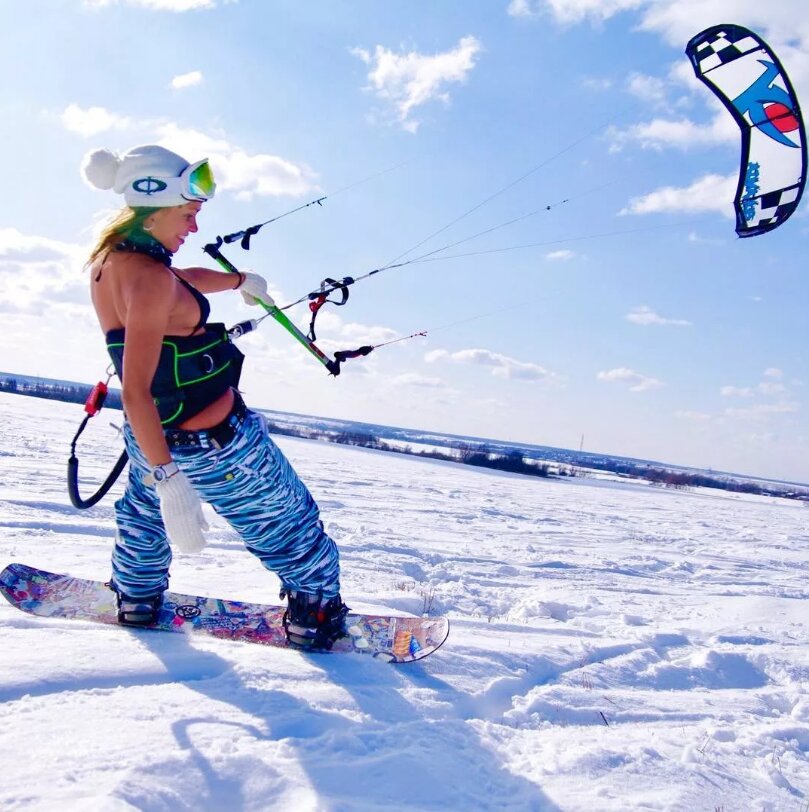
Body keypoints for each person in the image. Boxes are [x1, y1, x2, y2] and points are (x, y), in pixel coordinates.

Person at [81, 144, 348, 650]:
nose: (194, 228)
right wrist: (170, 479)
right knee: (288, 522)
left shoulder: (113, 262)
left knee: (142, 518)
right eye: (187, 214)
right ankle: (314, 615)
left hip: (150, 439)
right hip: (217, 444)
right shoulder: (152, 280)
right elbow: (134, 389)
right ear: (154, 205)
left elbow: (182, 280)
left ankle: (136, 598)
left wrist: (240, 281)